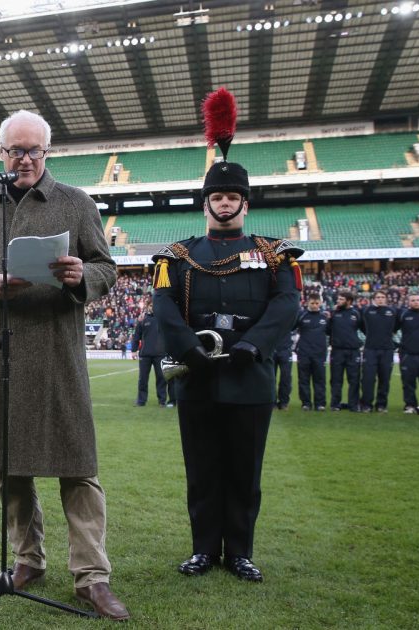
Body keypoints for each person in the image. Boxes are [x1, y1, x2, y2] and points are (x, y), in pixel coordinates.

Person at [0, 110, 127, 619]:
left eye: (34, 151)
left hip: (58, 355)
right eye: (15, 151)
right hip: (3, 352)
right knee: (9, 468)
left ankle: (92, 576)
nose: (24, 159)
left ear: (48, 152)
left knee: (78, 468)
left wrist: (79, 275)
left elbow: (107, 268)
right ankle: (28, 559)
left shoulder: (76, 203)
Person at [151, 90, 302, 585]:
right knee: (202, 472)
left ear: (244, 202)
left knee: (244, 473)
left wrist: (251, 346)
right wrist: (190, 351)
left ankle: (239, 552)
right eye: (217, 197)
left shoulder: (275, 253)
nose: (224, 203)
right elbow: (164, 308)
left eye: (232, 197)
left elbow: (286, 306)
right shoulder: (177, 255)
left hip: (249, 377)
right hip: (196, 377)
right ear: (207, 203)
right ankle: (201, 550)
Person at [359, 290, 398, 413]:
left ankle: (381, 405)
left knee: (385, 379)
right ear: (374, 299)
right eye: (378, 297)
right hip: (370, 349)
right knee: (368, 379)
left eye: (383, 297)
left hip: (387, 350)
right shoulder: (367, 311)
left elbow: (396, 327)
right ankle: (366, 404)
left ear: (386, 299)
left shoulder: (392, 312)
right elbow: (361, 326)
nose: (380, 299)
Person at [131, 303, 172, 407]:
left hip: (160, 354)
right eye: (151, 305)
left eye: (154, 305)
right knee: (143, 379)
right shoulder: (143, 319)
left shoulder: (164, 318)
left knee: (161, 378)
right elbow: (137, 336)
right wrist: (134, 350)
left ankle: (162, 401)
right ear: (148, 307)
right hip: (145, 354)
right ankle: (141, 401)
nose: (152, 307)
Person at [327, 291, 361, 411]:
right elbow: (327, 331)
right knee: (336, 379)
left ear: (349, 301)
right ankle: (335, 404)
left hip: (353, 351)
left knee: (354, 380)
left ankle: (353, 405)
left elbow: (364, 328)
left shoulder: (356, 313)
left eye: (341, 299)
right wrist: (329, 318)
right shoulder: (334, 313)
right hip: (337, 351)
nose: (338, 301)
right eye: (338, 299)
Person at [295, 295, 329, 411]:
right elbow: (291, 328)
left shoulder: (325, 317)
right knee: (304, 379)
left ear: (320, 303)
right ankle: (306, 403)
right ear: (307, 303)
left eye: (316, 303)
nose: (314, 306)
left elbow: (330, 332)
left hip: (319, 353)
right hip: (304, 352)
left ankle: (320, 404)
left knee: (320, 379)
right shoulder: (301, 315)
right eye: (312, 303)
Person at [272, 324, 294, 410]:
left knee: (286, 377)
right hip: (272, 349)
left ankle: (284, 402)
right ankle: (272, 402)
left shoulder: (288, 314)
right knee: (271, 378)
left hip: (285, 350)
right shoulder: (270, 315)